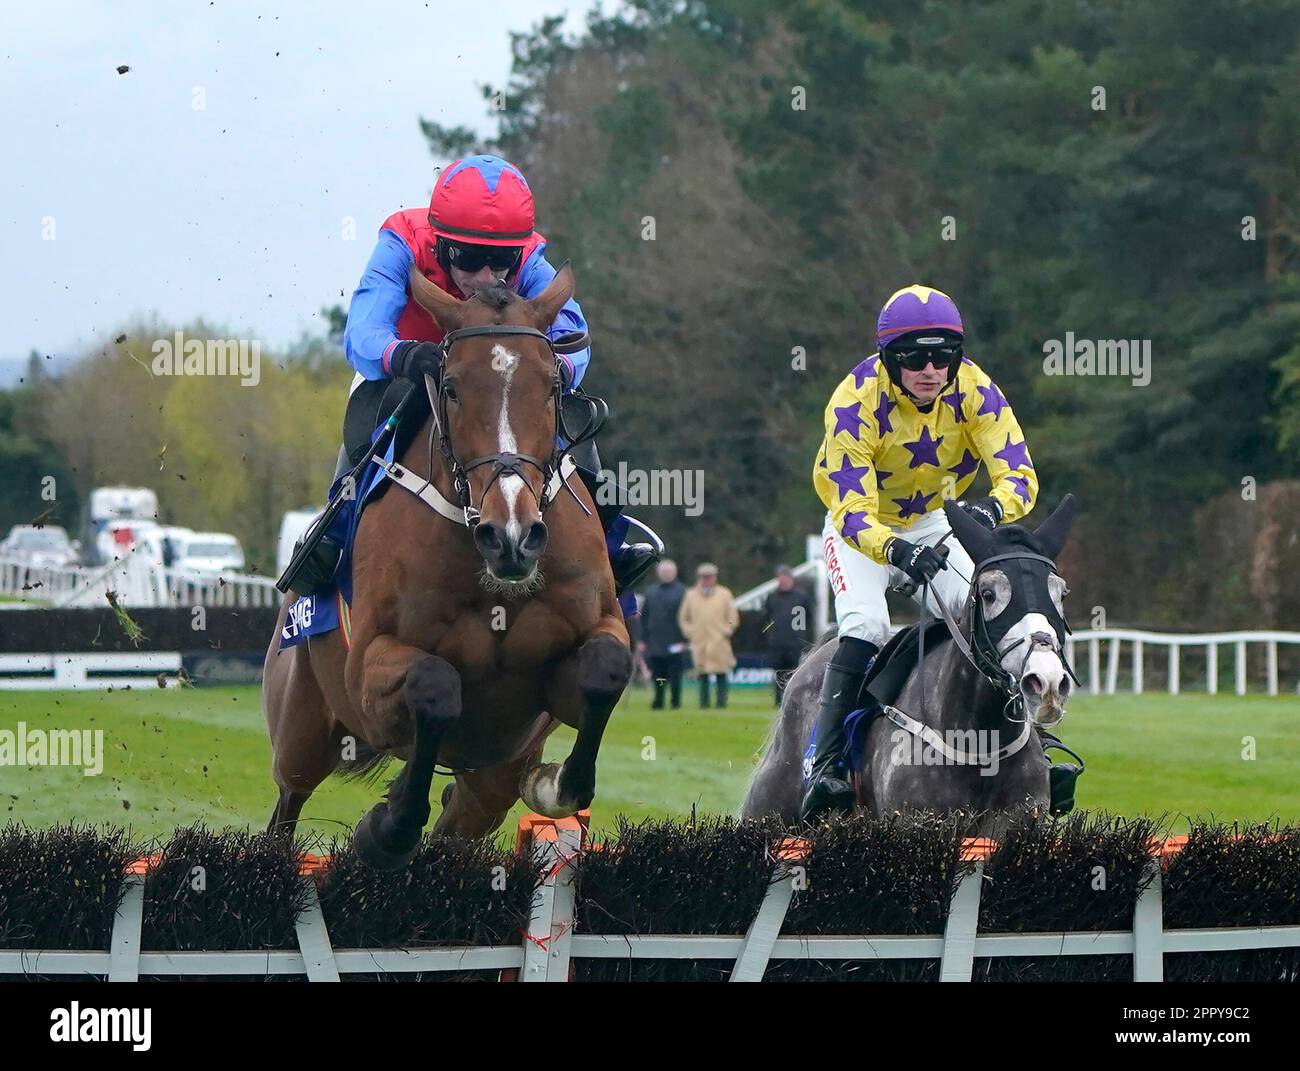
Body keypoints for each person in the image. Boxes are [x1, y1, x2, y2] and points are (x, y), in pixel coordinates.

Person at [281, 153, 657, 596]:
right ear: (440, 244)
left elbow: (575, 334)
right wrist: (400, 355)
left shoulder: (532, 260)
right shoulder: (401, 240)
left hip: (497, 380)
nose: (484, 277)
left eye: (500, 262)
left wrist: (555, 369)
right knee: (365, 423)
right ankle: (332, 538)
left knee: (569, 416)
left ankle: (610, 544)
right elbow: (361, 333)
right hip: (408, 370)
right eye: (469, 257)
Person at [801, 284, 1040, 820]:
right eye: (914, 357)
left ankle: (1033, 752)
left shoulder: (977, 389)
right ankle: (826, 764)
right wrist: (898, 552)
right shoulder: (853, 400)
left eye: (944, 355)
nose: (931, 369)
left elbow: (1021, 477)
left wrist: (991, 512)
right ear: (890, 358)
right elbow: (853, 510)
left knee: (988, 611)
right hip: (862, 525)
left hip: (935, 518)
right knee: (865, 624)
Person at [677, 562, 739, 709]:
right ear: (699, 578)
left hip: (719, 641)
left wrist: (727, 630)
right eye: (704, 577)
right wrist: (690, 632)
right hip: (699, 641)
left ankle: (721, 703)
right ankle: (704, 704)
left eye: (709, 577)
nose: (707, 580)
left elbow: (733, 617)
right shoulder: (691, 595)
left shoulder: (725, 594)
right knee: (702, 673)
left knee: (721, 673)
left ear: (715, 578)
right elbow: (683, 618)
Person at [638, 559, 688, 709]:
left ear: (675, 573)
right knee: (658, 675)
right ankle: (658, 702)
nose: (666, 574)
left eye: (669, 572)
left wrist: (684, 640)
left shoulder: (683, 591)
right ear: (658, 573)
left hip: (676, 640)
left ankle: (675, 702)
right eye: (663, 572)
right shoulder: (651, 592)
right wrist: (642, 639)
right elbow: (644, 617)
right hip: (655, 641)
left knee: (675, 675)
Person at [763, 564, 813, 706]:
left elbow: (809, 618)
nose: (783, 580)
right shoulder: (772, 597)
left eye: (785, 577)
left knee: (793, 673)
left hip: (795, 642)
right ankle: (779, 701)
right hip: (777, 642)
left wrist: (804, 637)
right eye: (780, 577)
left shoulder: (801, 597)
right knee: (778, 673)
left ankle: (791, 700)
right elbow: (767, 618)